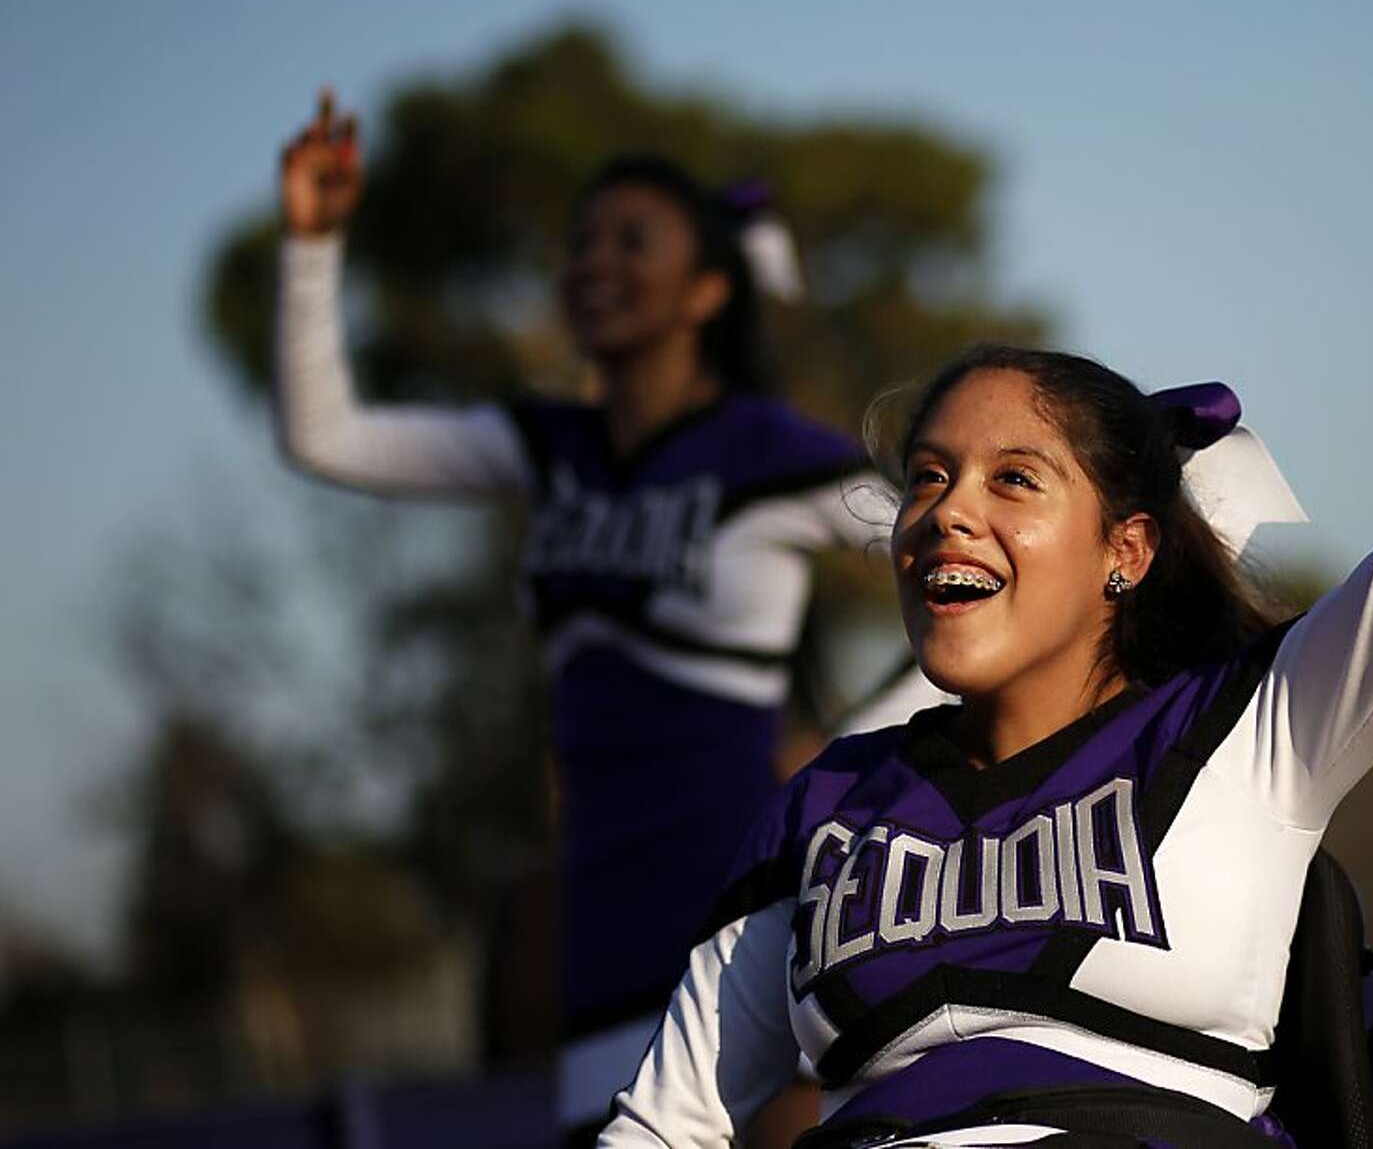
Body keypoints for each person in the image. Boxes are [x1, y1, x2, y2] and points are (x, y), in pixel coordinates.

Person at [596, 0, 1373, 1148]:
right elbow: (663, 1126)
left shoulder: (1247, 730)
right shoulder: (822, 812)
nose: (949, 512)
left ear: (1127, 549)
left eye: (1015, 478)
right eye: (927, 477)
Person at [274, 113, 941, 1140]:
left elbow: (969, 571)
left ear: (708, 289)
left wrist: (854, 752)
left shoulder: (764, 450)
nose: (594, 261)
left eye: (632, 240)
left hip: (754, 907)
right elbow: (329, 437)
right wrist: (313, 247)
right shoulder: (548, 448)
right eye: (581, 242)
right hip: (599, 923)